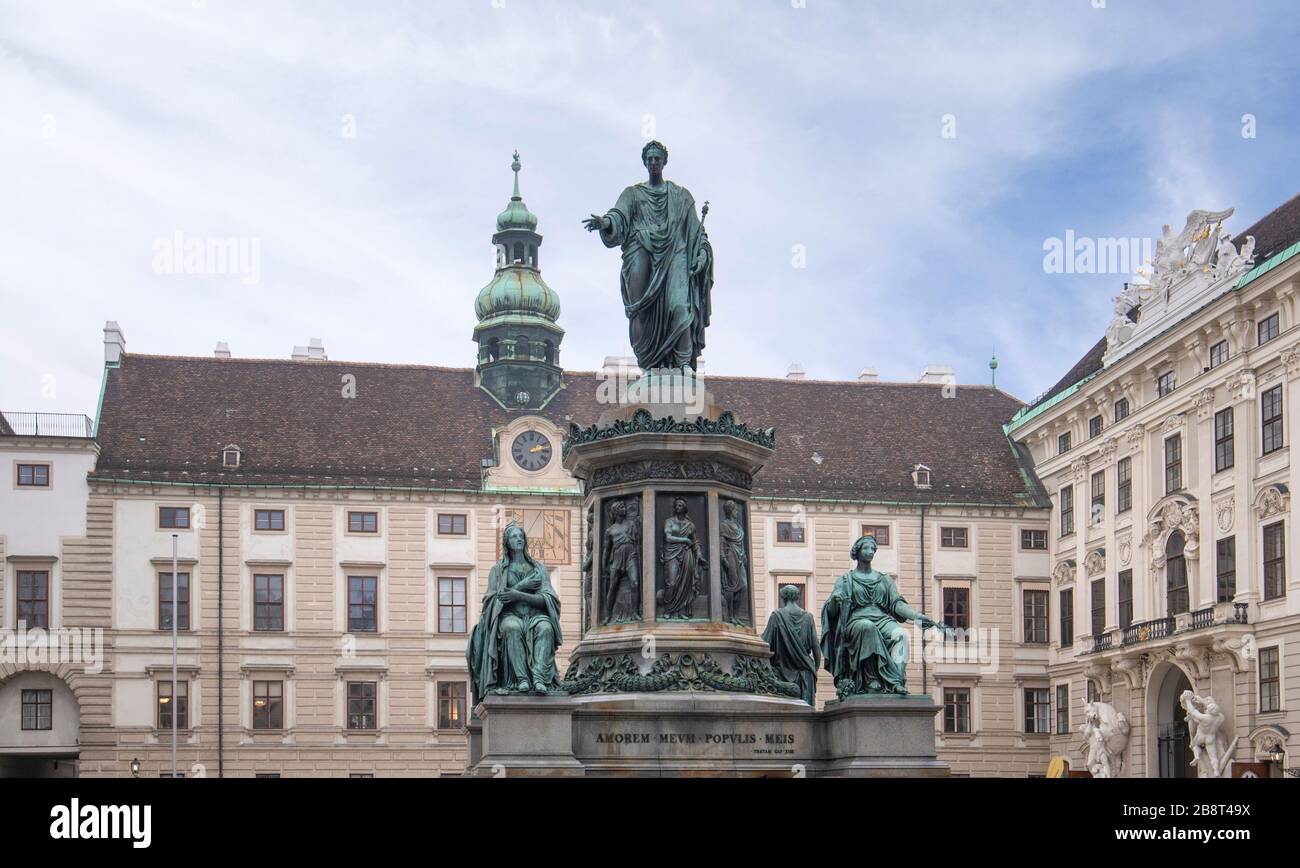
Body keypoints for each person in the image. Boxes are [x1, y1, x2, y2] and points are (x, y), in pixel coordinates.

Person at [820, 534, 946, 696]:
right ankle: (871, 680)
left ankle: (896, 682)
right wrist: (835, 601)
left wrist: (916, 616)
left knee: (901, 634)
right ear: (857, 552)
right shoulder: (845, 580)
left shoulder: (885, 580)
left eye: (873, 549)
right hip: (857, 620)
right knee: (868, 628)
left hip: (883, 619)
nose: (870, 551)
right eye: (866, 548)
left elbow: (897, 604)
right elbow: (831, 611)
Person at [466, 523, 564, 703]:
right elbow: (494, 601)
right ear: (507, 543)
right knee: (512, 628)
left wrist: (517, 594)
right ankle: (522, 679)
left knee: (546, 628)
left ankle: (539, 677)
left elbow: (548, 599)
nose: (518, 539)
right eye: (514, 537)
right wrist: (522, 586)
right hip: (509, 616)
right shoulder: (498, 570)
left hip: (535, 615)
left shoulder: (538, 569)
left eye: (521, 536)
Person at [762, 585, 820, 706]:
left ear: (783, 597)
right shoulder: (808, 618)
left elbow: (765, 643)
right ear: (798, 597)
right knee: (807, 718)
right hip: (805, 673)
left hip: (781, 674)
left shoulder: (776, 616)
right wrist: (814, 668)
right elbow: (816, 646)